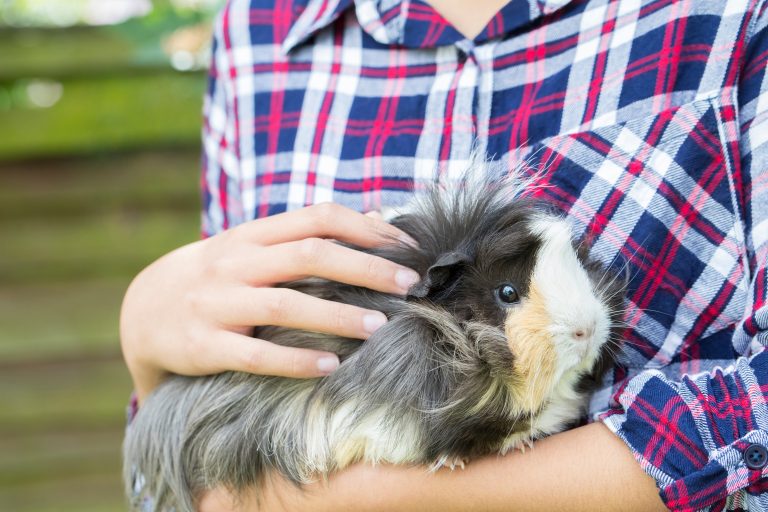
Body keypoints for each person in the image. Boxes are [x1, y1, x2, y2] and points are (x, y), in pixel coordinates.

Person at [120, 0, 768, 509]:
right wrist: (144, 339)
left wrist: (362, 499)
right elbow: (192, 456)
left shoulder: (726, 17)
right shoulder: (256, 31)